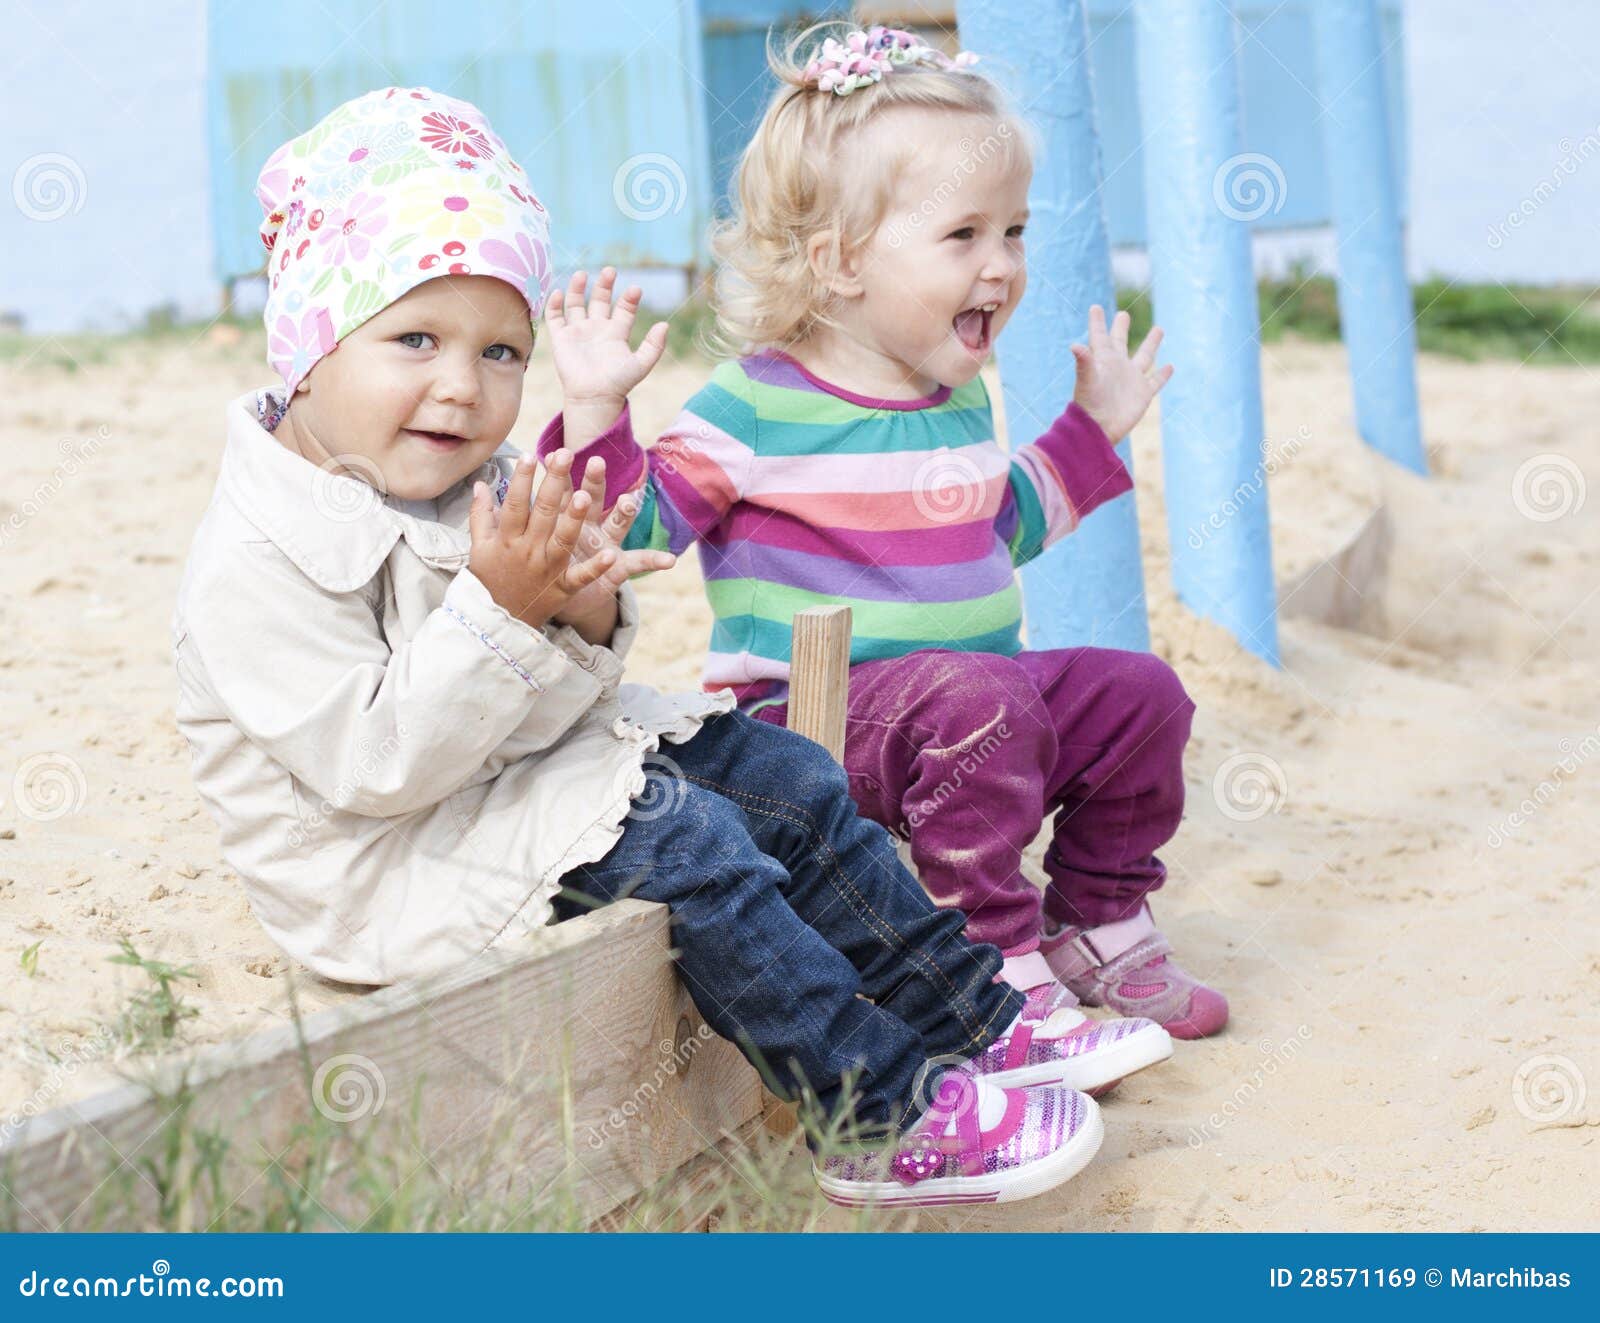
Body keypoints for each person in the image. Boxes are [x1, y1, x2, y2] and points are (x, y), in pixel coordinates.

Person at [173, 85, 1162, 1209]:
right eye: (414, 340)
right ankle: (876, 1115)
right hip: (384, 868)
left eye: (502, 351)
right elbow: (378, 769)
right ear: (306, 343)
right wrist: (504, 613)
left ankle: (971, 1020)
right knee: (684, 835)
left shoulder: (464, 482)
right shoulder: (253, 560)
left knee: (782, 775)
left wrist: (581, 612)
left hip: (495, 794)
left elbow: (545, 703)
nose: (462, 385)